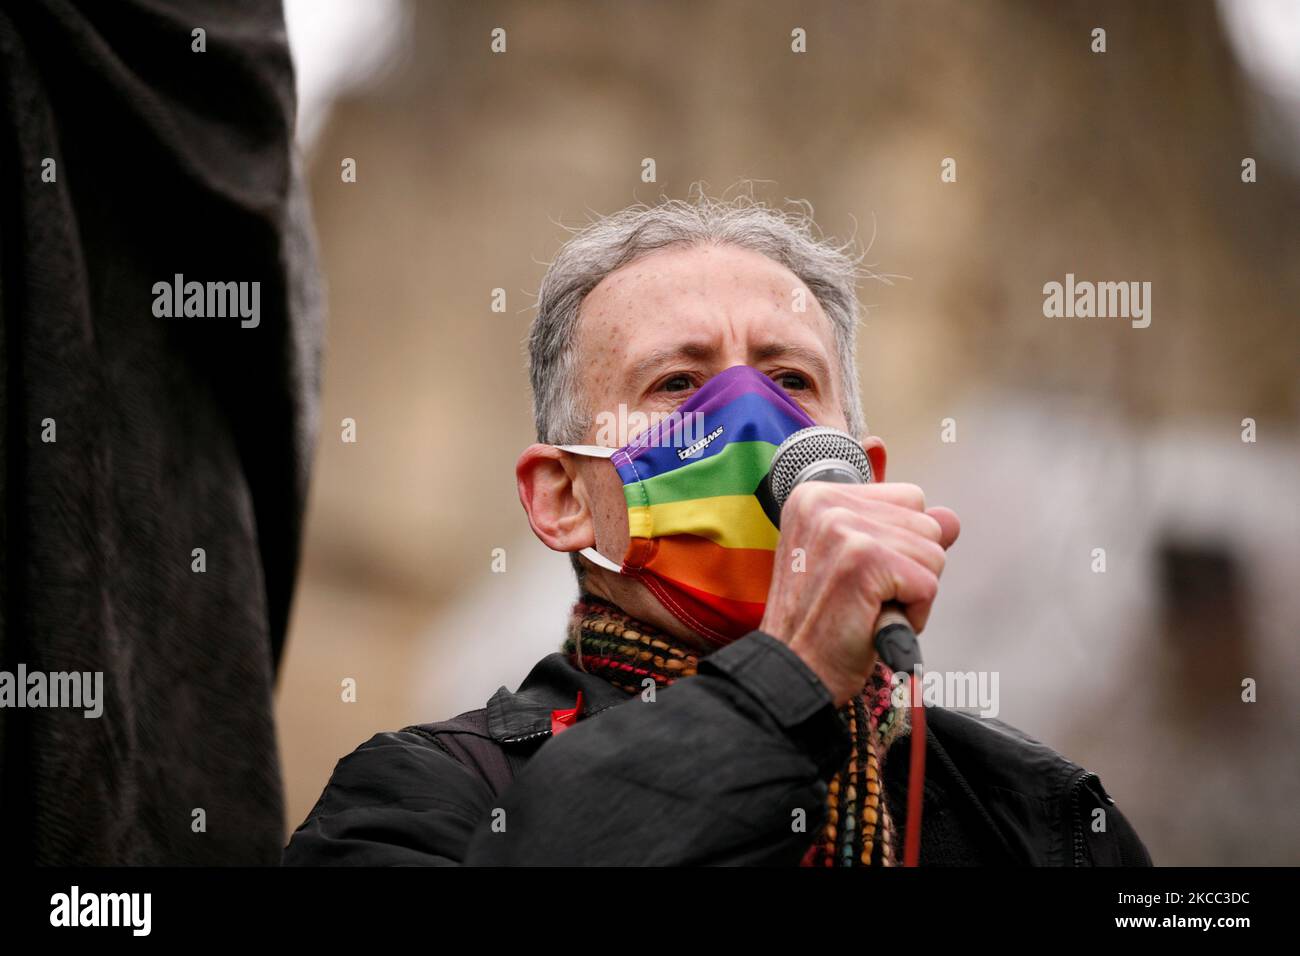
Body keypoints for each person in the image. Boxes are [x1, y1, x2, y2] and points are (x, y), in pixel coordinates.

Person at [282, 191, 1151, 866]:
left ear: (863, 473)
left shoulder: (1045, 817)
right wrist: (788, 681)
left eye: (792, 381)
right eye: (676, 384)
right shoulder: (419, 796)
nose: (749, 420)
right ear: (562, 498)